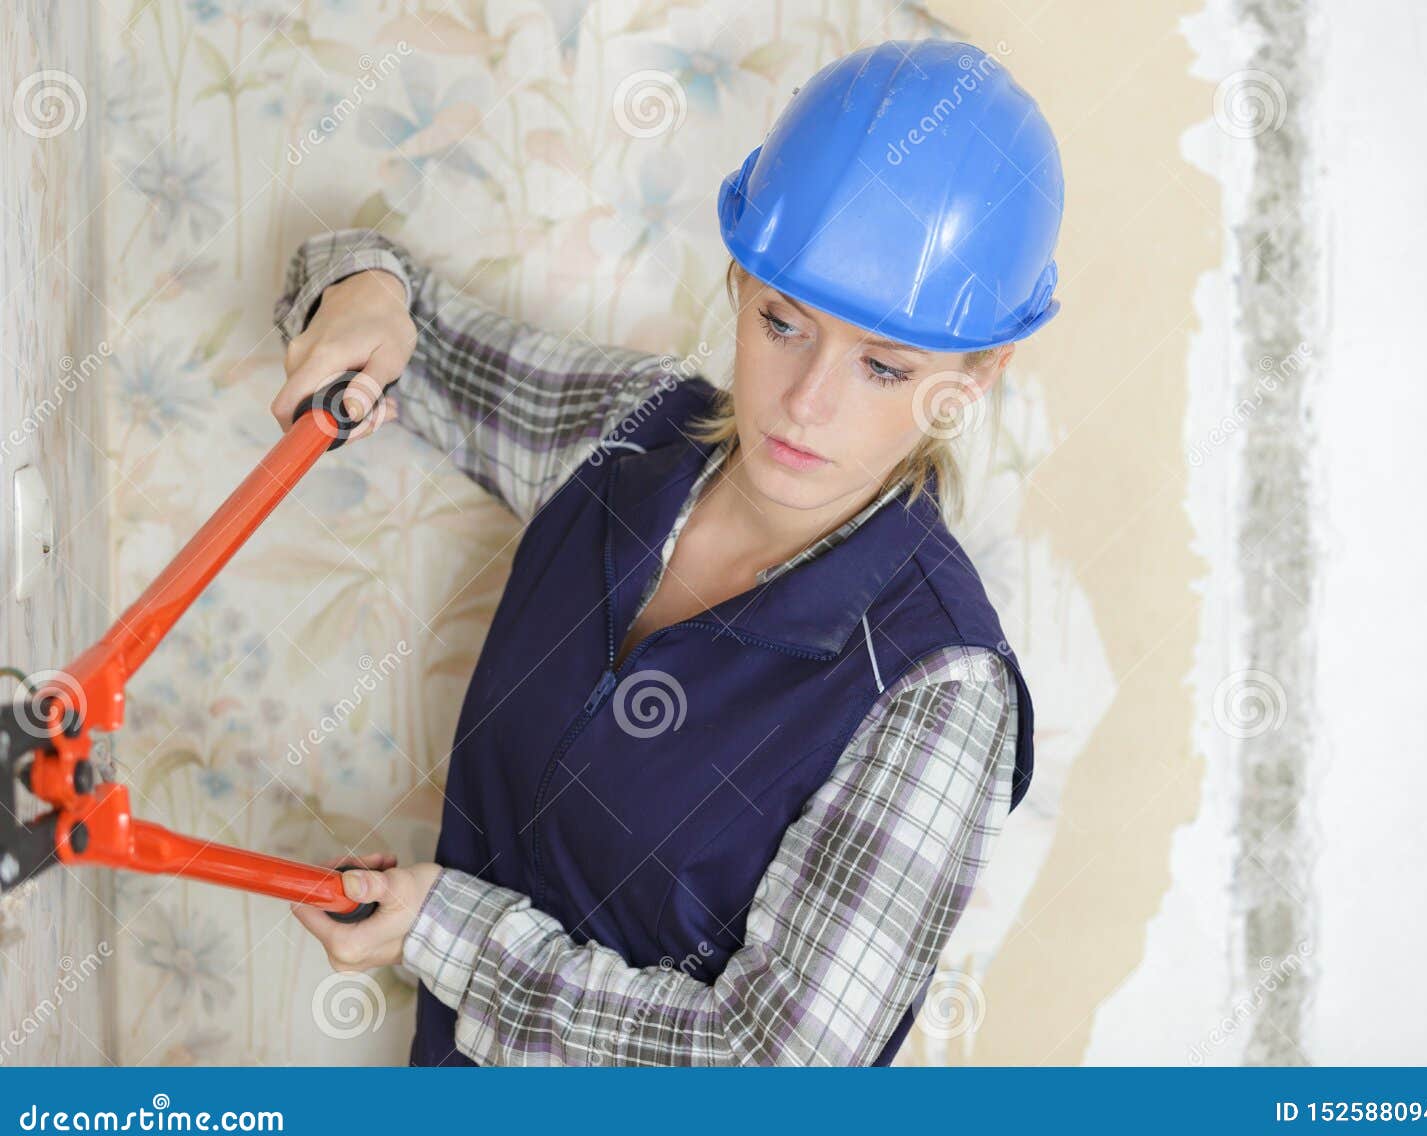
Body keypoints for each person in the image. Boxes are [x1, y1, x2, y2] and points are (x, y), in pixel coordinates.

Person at [271, 38, 1061, 1066]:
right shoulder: (623, 435)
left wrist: (447, 933)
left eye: (881, 365)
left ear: (979, 370)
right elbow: (384, 314)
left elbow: (767, 1071)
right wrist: (364, 292)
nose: (806, 402)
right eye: (782, 321)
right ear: (739, 279)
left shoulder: (937, 689)